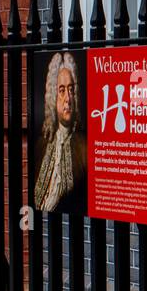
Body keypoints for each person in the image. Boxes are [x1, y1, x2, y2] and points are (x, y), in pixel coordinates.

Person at [33, 52, 88, 213]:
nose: (68, 99)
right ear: (53, 96)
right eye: (62, 90)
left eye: (71, 90)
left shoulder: (84, 147)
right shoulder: (41, 145)